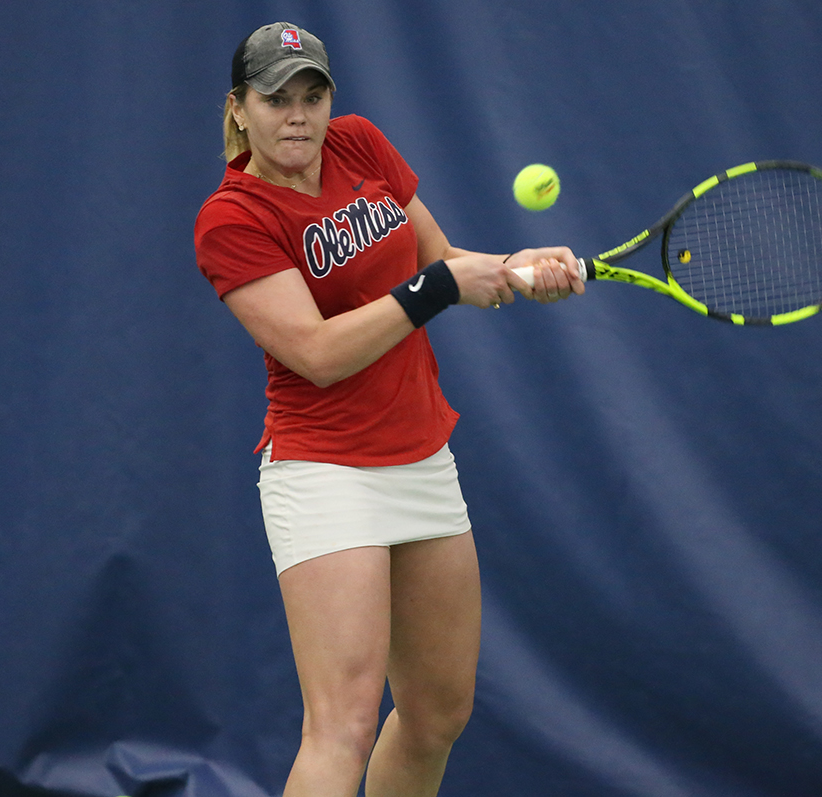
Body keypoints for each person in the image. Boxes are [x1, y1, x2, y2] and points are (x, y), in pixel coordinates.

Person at [193, 22, 585, 797]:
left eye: (313, 95)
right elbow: (318, 350)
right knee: (341, 726)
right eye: (276, 99)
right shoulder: (231, 219)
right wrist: (439, 289)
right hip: (323, 472)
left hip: (421, 457)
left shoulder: (361, 145)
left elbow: (439, 259)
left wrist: (518, 266)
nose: (298, 115)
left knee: (439, 713)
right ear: (239, 109)